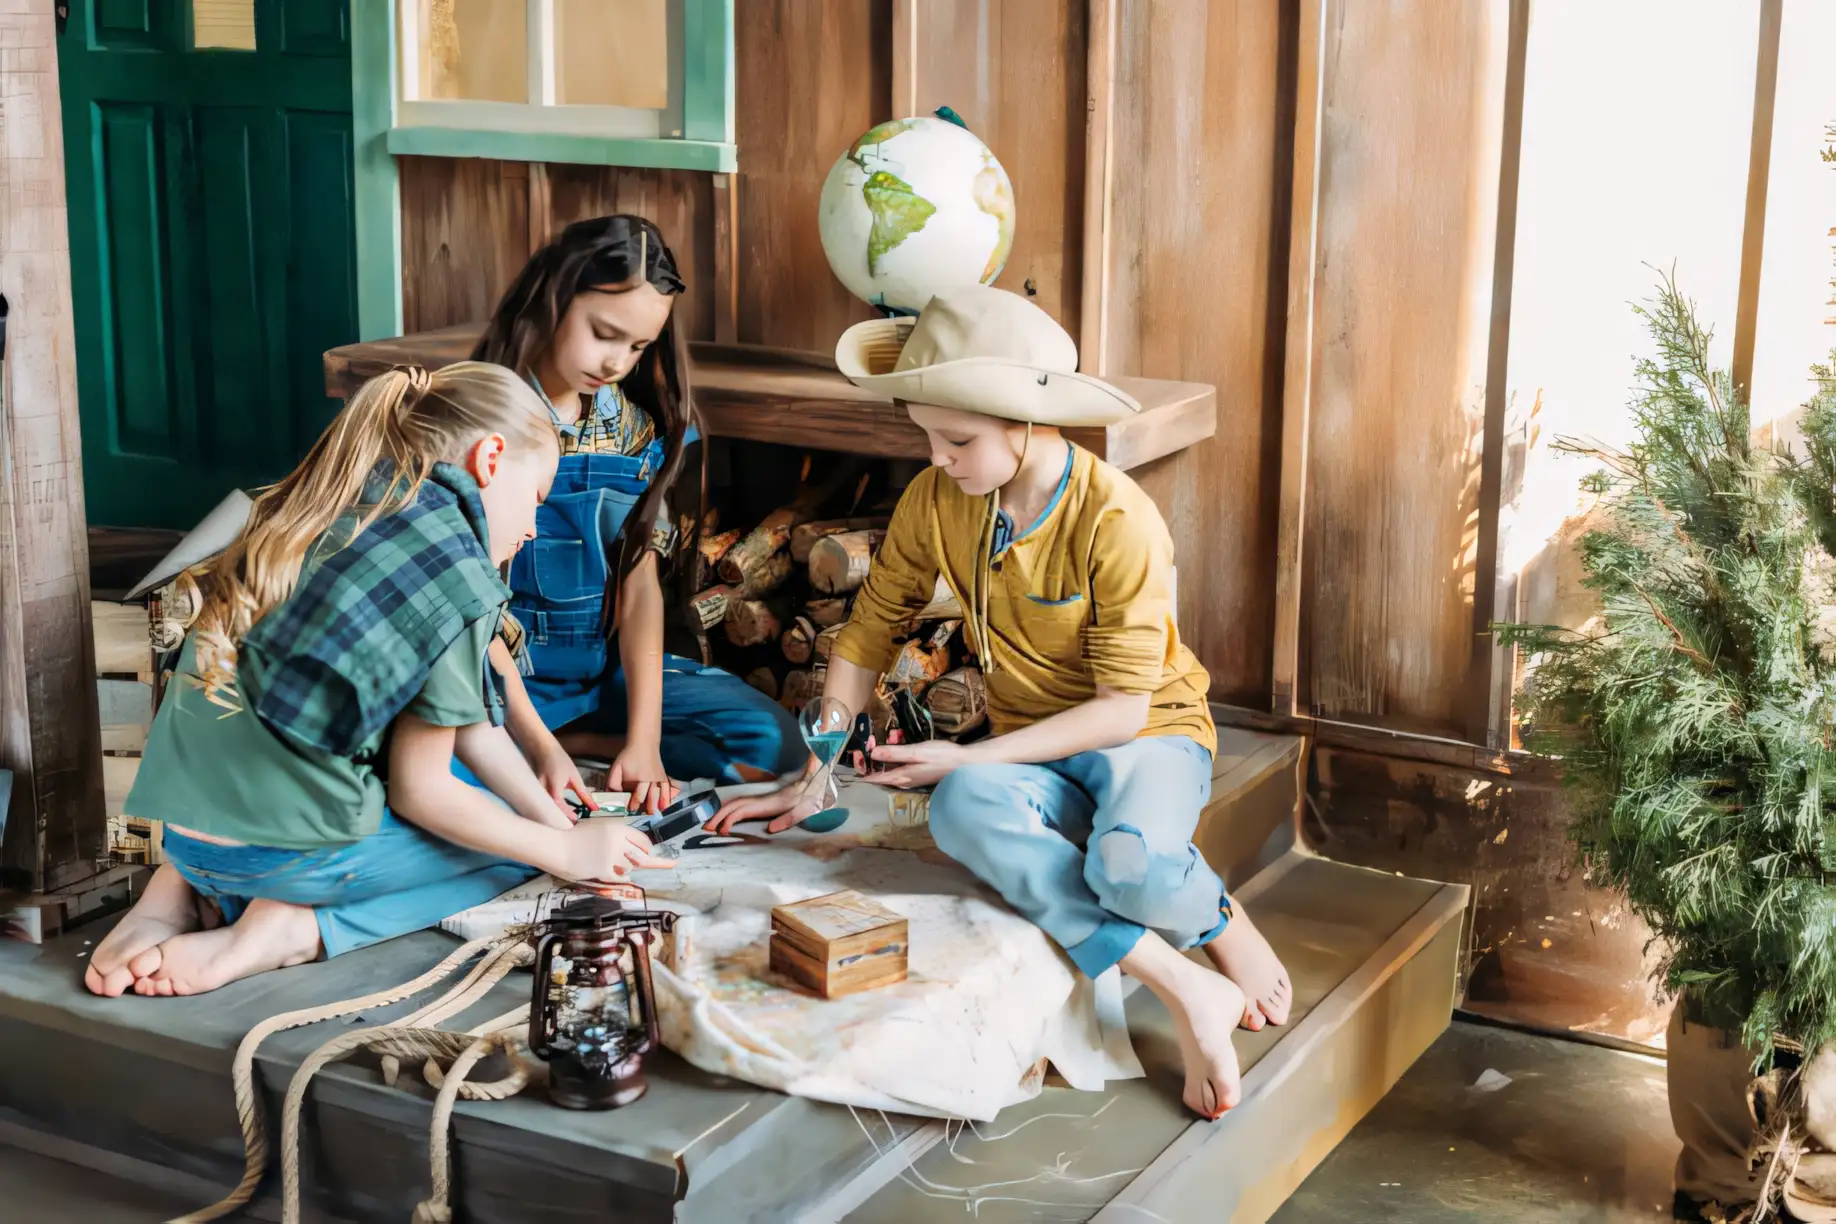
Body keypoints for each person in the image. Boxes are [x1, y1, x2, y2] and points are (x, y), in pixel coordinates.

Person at [709, 286, 1293, 1120]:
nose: (938, 459)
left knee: (1126, 865)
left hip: (1148, 736)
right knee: (960, 810)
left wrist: (968, 752)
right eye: (927, 439)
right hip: (1034, 750)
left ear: (1026, 422)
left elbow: (1124, 712)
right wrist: (818, 772)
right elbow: (869, 634)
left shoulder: (1119, 518)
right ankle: (1182, 985)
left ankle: (1216, 918)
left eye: (957, 441)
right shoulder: (936, 501)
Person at [83, 362, 667, 999]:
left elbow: (470, 726)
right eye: (535, 500)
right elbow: (423, 793)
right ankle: (291, 931)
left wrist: (566, 829)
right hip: (282, 861)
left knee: (506, 812)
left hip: (187, 833)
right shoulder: (453, 564)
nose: (531, 528)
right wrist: (562, 853)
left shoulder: (331, 510)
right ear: (491, 459)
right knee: (511, 850)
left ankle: (175, 893)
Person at [470, 215, 804, 814]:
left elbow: (639, 583)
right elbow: (466, 608)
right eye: (603, 333)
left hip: (595, 682)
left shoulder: (628, 427)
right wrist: (536, 740)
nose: (617, 361)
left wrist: (644, 741)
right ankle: (550, 747)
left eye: (638, 346)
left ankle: (587, 743)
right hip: (492, 680)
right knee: (434, 772)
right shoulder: (479, 413)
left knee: (774, 742)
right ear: (555, 298)